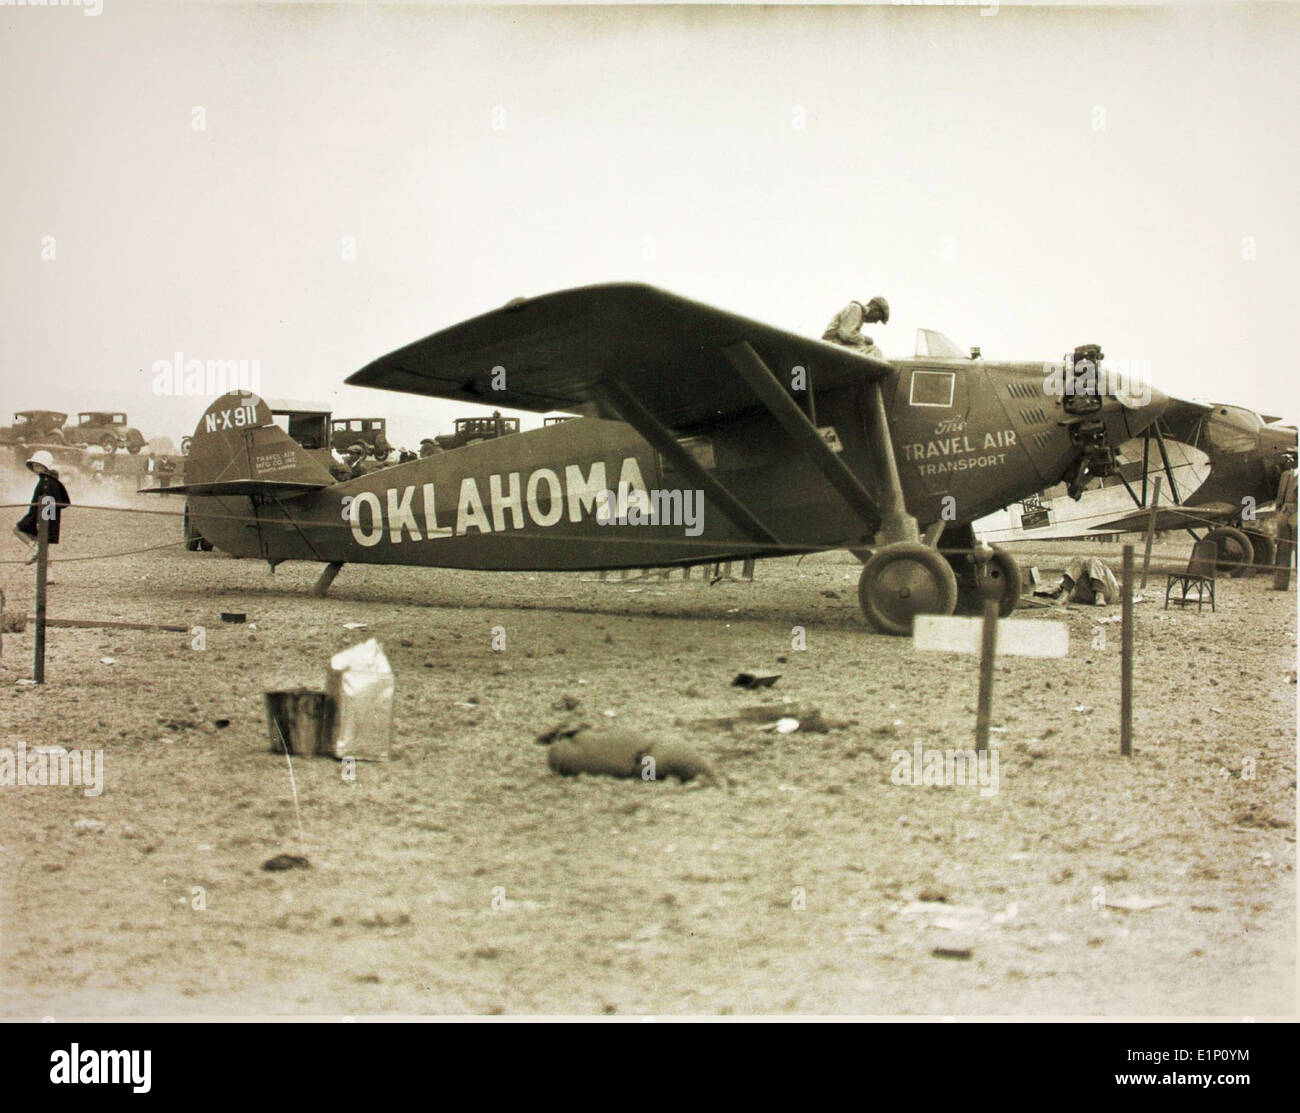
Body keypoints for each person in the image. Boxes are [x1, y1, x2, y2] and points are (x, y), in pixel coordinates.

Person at [13, 450, 71, 565]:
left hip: (40, 517)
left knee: (17, 529)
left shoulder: (46, 482)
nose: (35, 467)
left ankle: (35, 550)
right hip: (47, 518)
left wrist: (42, 521)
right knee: (44, 546)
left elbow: (47, 502)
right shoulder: (51, 481)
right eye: (34, 465)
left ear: (44, 466)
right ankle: (49, 576)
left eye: (38, 465)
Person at [822, 296, 890, 357]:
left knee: (870, 350)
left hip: (838, 345)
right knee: (875, 351)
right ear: (875, 310)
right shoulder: (855, 309)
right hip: (832, 345)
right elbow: (845, 334)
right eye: (878, 318)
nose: (875, 322)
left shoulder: (860, 315)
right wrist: (864, 339)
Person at [1273, 453, 1297, 590]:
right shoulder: (1286, 475)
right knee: (1282, 548)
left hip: (1297, 513)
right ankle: (1280, 584)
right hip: (1284, 512)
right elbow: (1280, 495)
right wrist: (1279, 510)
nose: (1289, 461)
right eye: (1289, 459)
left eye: (1293, 458)